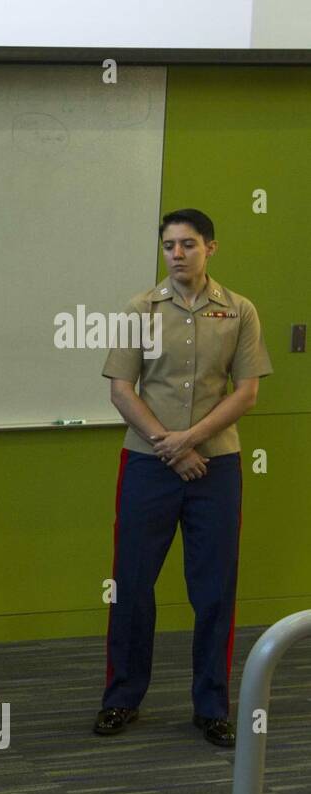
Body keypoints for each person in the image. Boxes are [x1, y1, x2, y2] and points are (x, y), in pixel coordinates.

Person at [96, 208, 272, 748]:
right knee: (131, 585)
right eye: (169, 245)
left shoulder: (239, 311)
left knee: (214, 589)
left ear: (210, 249)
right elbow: (122, 389)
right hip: (148, 464)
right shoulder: (139, 310)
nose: (177, 254)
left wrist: (190, 441)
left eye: (188, 244)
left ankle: (212, 706)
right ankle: (122, 698)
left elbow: (246, 392)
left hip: (215, 467)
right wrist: (169, 447)